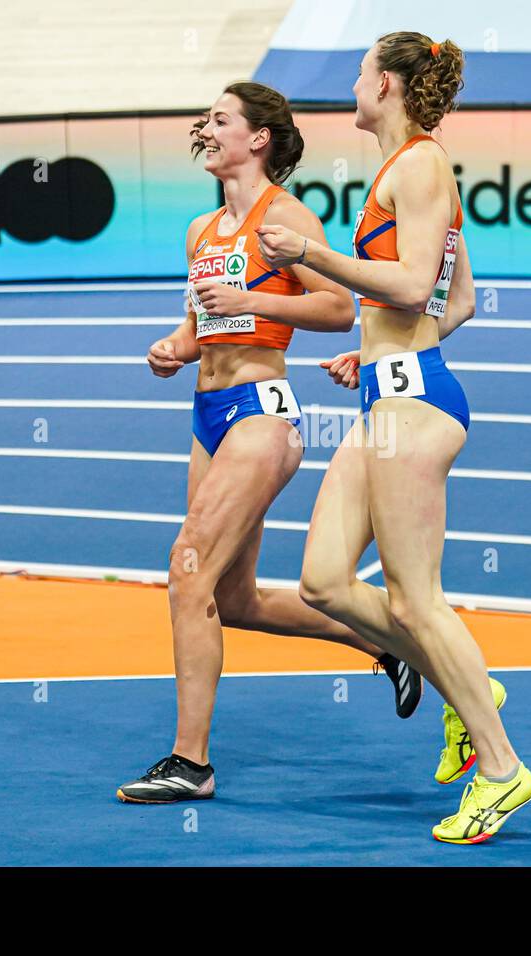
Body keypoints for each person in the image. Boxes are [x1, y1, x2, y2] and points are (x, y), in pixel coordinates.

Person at [257, 35, 531, 843]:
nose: (350, 85)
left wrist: (312, 254)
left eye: (356, 74)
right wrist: (378, 345)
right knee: (321, 582)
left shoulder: (418, 165)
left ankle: (500, 768)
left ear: (384, 84)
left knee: (415, 599)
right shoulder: (407, 170)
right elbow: (461, 300)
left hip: (414, 410)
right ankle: (466, 683)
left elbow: (416, 285)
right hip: (394, 391)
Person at [116, 82, 422, 805]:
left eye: (221, 119)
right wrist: (175, 347)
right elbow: (201, 325)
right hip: (210, 414)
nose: (207, 128)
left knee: (186, 573)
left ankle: (190, 764)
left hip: (262, 414)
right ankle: (385, 642)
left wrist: (253, 300)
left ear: (258, 139)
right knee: (235, 597)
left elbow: (340, 306)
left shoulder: (284, 217)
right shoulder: (200, 230)